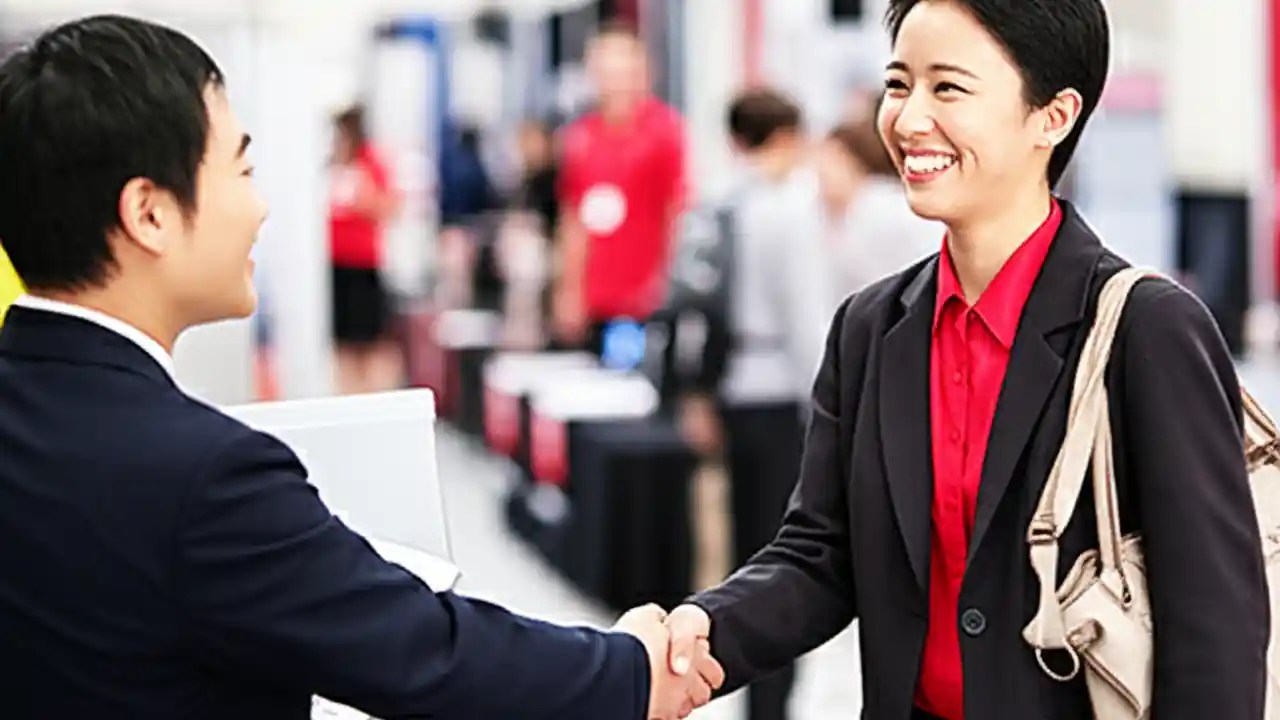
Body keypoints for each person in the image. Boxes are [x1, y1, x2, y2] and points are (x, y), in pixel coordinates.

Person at [0, 15, 722, 719]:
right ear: (148, 214)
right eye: (242, 169)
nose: (260, 207)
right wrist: (628, 672)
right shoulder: (202, 476)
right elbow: (426, 655)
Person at [659, 1, 1269, 718]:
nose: (910, 119)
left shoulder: (1149, 330)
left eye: (947, 88)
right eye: (898, 84)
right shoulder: (869, 331)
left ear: (1054, 116)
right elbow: (822, 556)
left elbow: (1216, 632)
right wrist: (703, 629)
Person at [677, 87, 835, 720]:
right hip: (777, 396)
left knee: (744, 550)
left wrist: (694, 392)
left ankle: (741, 693)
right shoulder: (788, 210)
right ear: (789, 136)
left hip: (726, 387)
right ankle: (773, 702)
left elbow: (687, 304)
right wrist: (828, 406)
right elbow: (806, 320)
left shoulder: (713, 203)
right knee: (786, 559)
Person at [554, 21, 686, 355]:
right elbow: (574, 220)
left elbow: (677, 211)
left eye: (621, 71)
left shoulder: (664, 133)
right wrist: (569, 289)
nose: (612, 83)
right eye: (604, 72)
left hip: (647, 299)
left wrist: (667, 282)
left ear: (643, 73)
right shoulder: (580, 139)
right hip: (597, 298)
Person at [816, 115, 939, 293]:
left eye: (830, 162)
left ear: (853, 161)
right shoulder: (840, 213)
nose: (821, 172)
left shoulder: (884, 207)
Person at [328, 104, 401, 394]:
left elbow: (390, 206)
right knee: (344, 341)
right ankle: (349, 393)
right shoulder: (332, 163)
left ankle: (374, 392)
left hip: (363, 263)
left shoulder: (370, 161)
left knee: (371, 341)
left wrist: (363, 199)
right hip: (337, 264)